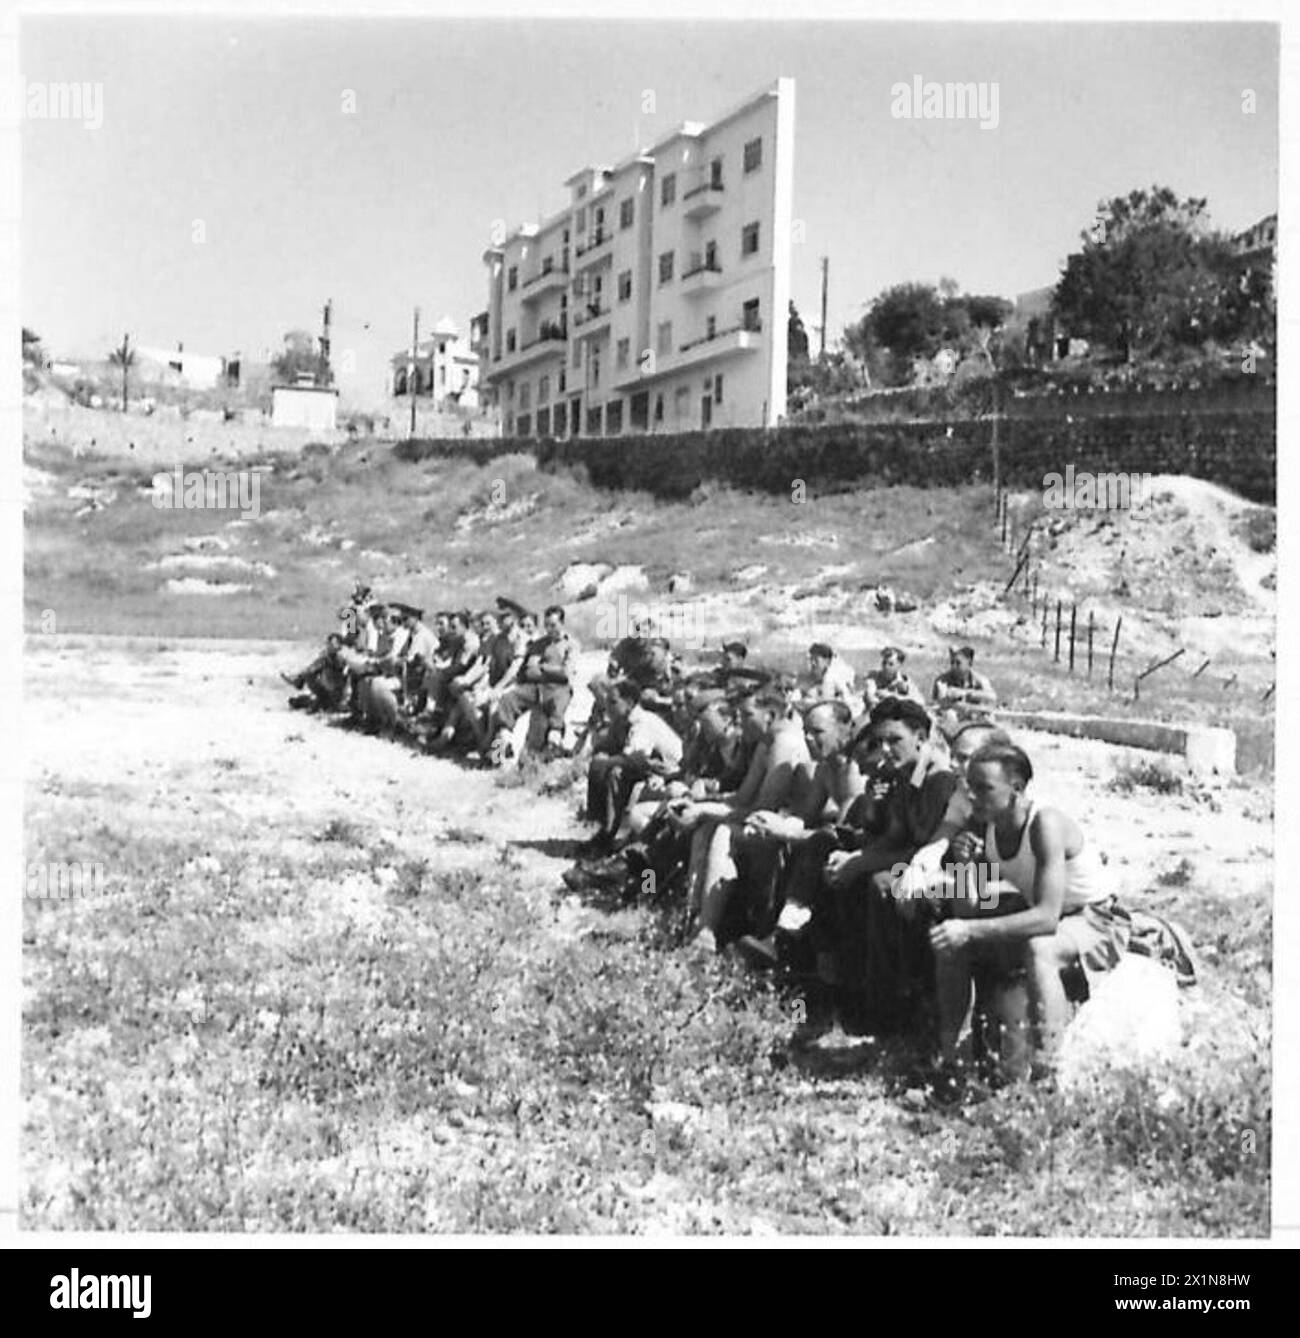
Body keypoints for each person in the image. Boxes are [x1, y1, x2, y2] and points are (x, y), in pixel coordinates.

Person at [928, 741, 1130, 1081]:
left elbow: (1046, 917)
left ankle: (1047, 1071)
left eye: (984, 789)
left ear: (1016, 788)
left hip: (1094, 917)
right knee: (953, 945)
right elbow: (975, 909)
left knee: (1040, 949)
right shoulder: (987, 827)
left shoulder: (1044, 824)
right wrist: (964, 868)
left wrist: (969, 929)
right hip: (1050, 912)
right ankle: (955, 1059)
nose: (973, 797)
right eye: (969, 788)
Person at [811, 696, 959, 1035]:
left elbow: (922, 850)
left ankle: (892, 1010)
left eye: (896, 740)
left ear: (921, 737)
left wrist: (861, 863)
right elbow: (894, 836)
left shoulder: (940, 780)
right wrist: (853, 858)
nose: (887, 750)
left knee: (880, 884)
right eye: (880, 742)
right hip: (916, 868)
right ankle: (839, 989)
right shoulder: (908, 774)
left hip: (956, 875)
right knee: (836, 864)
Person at [670, 689, 814, 955]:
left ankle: (707, 931)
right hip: (771, 818)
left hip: (791, 825)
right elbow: (743, 797)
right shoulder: (766, 741)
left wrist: (704, 810)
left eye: (747, 714)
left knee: (724, 831)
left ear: (769, 715)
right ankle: (693, 918)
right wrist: (700, 806)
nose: (740, 720)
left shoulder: (785, 744)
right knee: (705, 829)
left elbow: (761, 809)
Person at [583, 680, 684, 850]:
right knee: (601, 765)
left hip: (669, 773)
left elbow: (633, 758)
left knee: (615, 772)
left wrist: (605, 762)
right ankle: (602, 829)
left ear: (629, 703)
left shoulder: (643, 722)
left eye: (613, 702)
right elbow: (607, 746)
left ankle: (611, 833)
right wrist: (600, 755)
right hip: (647, 768)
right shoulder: (621, 720)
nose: (608, 707)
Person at [488, 604, 578, 764]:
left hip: (558, 689)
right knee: (508, 700)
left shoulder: (571, 644)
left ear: (562, 623)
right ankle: (497, 753)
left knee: (555, 718)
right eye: (547, 625)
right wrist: (553, 671)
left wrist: (542, 668)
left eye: (553, 625)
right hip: (535, 687)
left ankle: (553, 749)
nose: (550, 629)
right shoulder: (539, 644)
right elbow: (530, 670)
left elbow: (566, 674)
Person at [931, 646, 997, 718]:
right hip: (953, 722)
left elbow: (992, 697)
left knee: (989, 716)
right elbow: (939, 705)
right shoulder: (942, 681)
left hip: (975, 718)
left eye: (958, 663)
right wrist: (947, 697)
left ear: (970, 663)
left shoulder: (980, 680)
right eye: (952, 662)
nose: (954, 666)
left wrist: (965, 694)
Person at [861, 647, 923, 711]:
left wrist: (892, 696)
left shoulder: (903, 681)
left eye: (891, 664)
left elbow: (919, 702)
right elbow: (870, 697)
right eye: (884, 663)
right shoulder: (873, 677)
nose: (886, 667)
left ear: (899, 665)